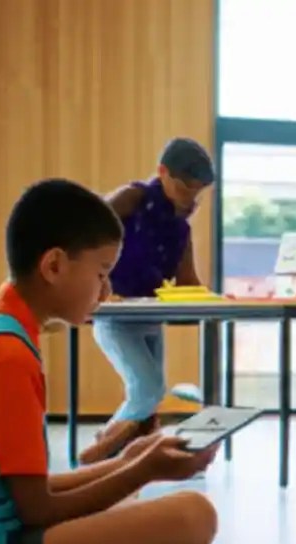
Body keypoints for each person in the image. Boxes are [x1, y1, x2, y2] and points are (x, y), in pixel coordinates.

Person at [0, 178, 231, 544]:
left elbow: (30, 491)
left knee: (145, 505)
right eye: (100, 273)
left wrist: (132, 458)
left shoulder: (2, 336)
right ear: (54, 266)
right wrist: (142, 471)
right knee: (195, 515)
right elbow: (37, 510)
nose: (105, 290)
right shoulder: (4, 355)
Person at [79, 138, 214, 464]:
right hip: (115, 316)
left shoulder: (181, 230)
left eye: (197, 193)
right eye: (184, 189)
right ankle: (99, 454)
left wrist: (213, 299)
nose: (190, 199)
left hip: (149, 317)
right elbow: (85, 231)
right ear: (163, 173)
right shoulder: (134, 197)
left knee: (147, 394)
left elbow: (188, 282)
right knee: (148, 389)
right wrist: (90, 288)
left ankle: (131, 456)